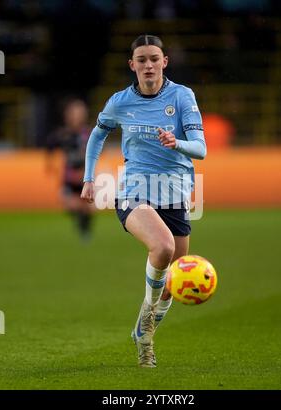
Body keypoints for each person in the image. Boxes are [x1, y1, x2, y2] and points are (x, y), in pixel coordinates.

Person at [81, 35, 206, 367]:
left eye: (154, 58)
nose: (148, 65)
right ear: (132, 65)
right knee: (162, 247)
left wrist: (176, 142)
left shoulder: (182, 97)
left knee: (173, 285)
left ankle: (144, 333)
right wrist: (89, 178)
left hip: (175, 196)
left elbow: (201, 149)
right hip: (135, 191)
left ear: (164, 61)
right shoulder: (120, 102)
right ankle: (147, 321)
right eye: (142, 59)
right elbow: (97, 134)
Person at [46, 98, 94, 240]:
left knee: (88, 207)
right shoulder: (62, 134)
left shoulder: (89, 133)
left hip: (84, 178)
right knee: (70, 205)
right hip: (69, 178)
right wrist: (52, 167)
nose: (76, 116)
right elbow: (50, 150)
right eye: (74, 112)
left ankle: (85, 231)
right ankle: (81, 226)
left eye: (79, 112)